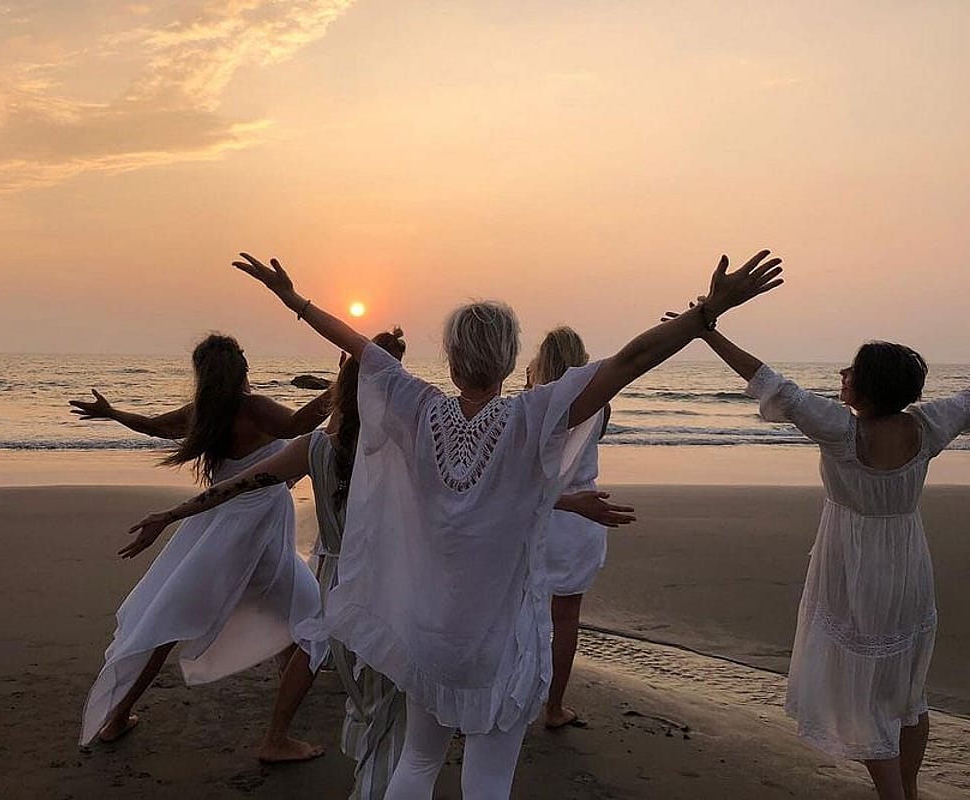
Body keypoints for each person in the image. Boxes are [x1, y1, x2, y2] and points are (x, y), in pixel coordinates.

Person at [233, 249, 782, 798]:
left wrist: (293, 299)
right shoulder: (532, 417)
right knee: (488, 777)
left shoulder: (418, 408)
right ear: (510, 359)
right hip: (500, 641)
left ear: (450, 361)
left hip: (429, 630)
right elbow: (629, 361)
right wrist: (707, 311)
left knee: (418, 761)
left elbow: (357, 347)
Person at [126, 329, 634, 799]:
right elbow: (482, 499)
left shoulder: (316, 447)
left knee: (383, 724)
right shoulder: (399, 449)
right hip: (386, 597)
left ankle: (297, 744)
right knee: (398, 738)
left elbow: (243, 484)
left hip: (335, 591)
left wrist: (172, 513)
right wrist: (564, 501)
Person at [674, 315, 970, 800]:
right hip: (908, 565)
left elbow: (770, 383)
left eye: (851, 371)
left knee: (866, 696)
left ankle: (894, 796)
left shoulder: (840, 431)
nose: (842, 375)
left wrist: (707, 333)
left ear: (870, 387)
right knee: (906, 692)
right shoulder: (931, 423)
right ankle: (909, 789)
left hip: (855, 568)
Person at [78, 333, 333, 764]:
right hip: (255, 536)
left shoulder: (204, 414)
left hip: (212, 530)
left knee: (169, 621)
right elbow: (298, 427)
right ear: (242, 368)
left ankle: (117, 716)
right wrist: (345, 381)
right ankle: (277, 738)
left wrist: (111, 413)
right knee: (313, 623)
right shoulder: (253, 409)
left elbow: (153, 426)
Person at [527, 327, 612, 730]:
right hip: (582, 511)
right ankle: (554, 705)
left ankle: (516, 693)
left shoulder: (534, 403)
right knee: (566, 617)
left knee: (522, 612)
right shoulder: (600, 404)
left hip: (539, 510)